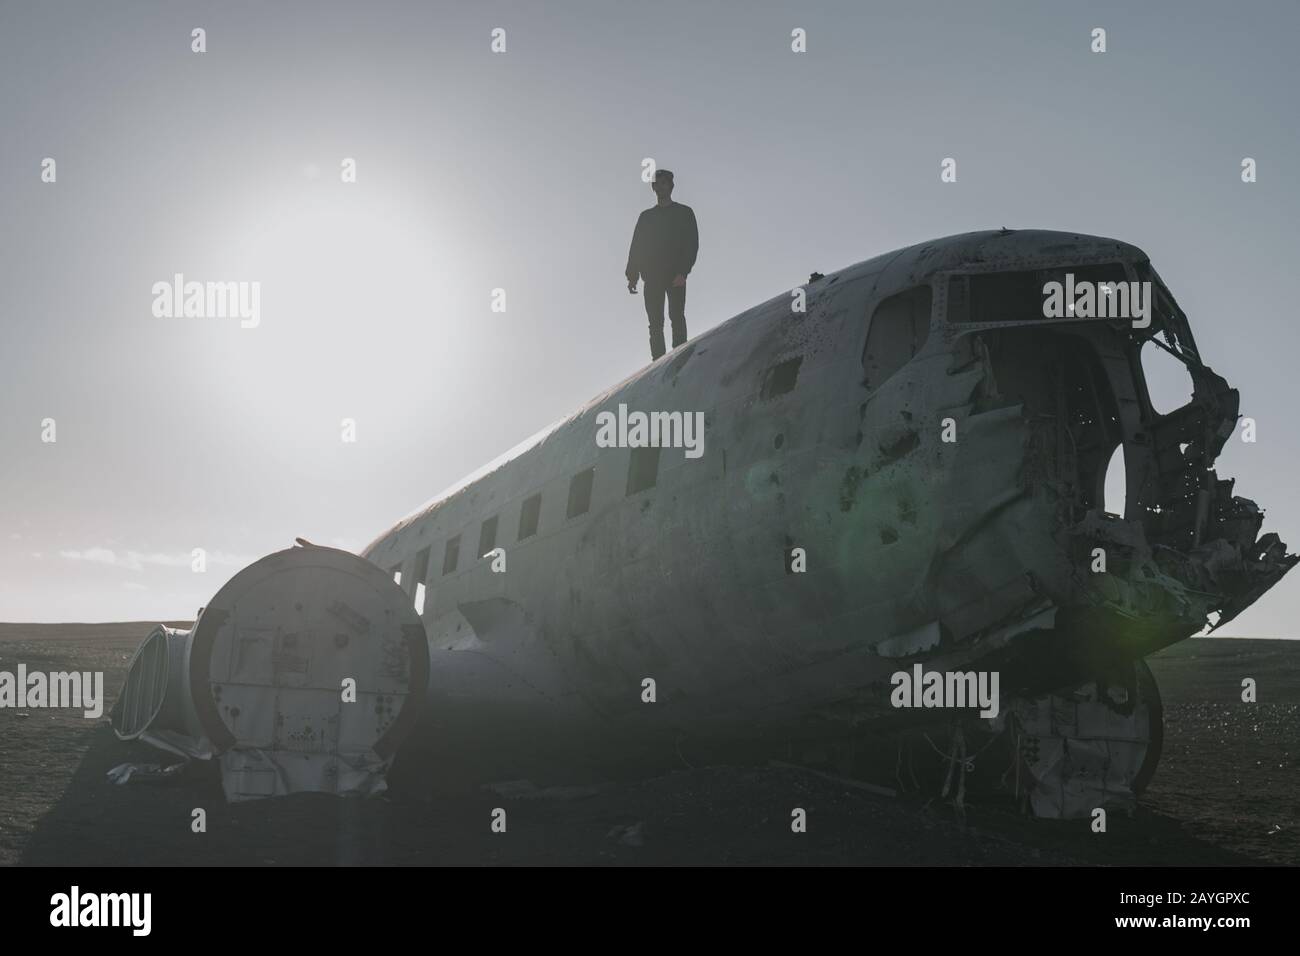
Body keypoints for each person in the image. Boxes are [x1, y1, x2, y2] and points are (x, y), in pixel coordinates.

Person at [624, 169, 698, 360]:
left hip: (676, 275)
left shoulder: (684, 213)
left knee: (677, 317)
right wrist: (632, 275)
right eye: (657, 184)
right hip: (653, 277)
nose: (660, 187)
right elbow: (637, 247)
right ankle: (658, 362)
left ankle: (680, 357)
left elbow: (691, 243)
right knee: (655, 324)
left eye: (664, 183)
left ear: (670, 186)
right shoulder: (646, 217)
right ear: (653, 188)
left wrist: (683, 272)